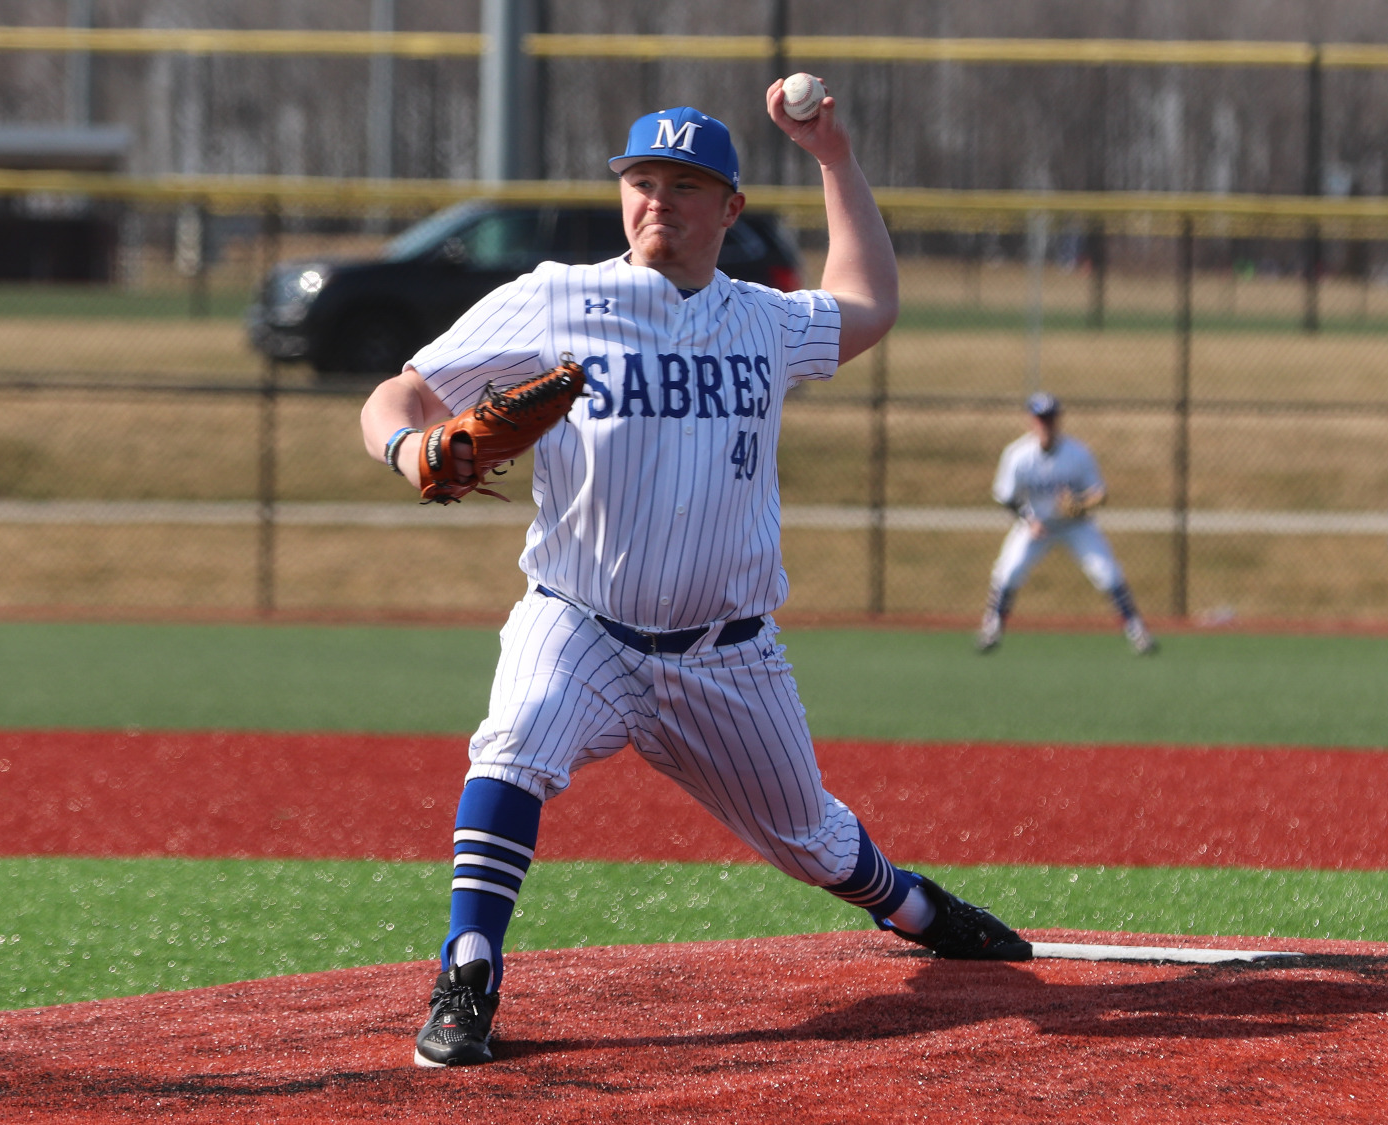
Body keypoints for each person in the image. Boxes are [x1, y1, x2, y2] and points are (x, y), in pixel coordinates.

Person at [359, 84, 1032, 1069]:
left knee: (812, 841)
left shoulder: (761, 322)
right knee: (512, 744)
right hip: (580, 620)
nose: (656, 200)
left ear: (729, 209)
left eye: (684, 184)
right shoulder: (553, 298)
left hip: (727, 654)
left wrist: (835, 158)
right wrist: (407, 451)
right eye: (639, 181)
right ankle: (469, 968)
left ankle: (917, 907)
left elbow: (870, 302)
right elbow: (402, 392)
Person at [977, 393, 1155, 655]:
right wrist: (1029, 520)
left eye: (1050, 418)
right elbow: (1005, 496)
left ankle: (1136, 630)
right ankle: (992, 628)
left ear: (1058, 420)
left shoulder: (1078, 453)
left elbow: (1100, 493)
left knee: (1107, 571)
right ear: (1031, 421)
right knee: (1009, 569)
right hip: (1036, 525)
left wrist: (1080, 504)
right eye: (1040, 419)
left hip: (1075, 525)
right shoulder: (1017, 455)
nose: (1045, 424)